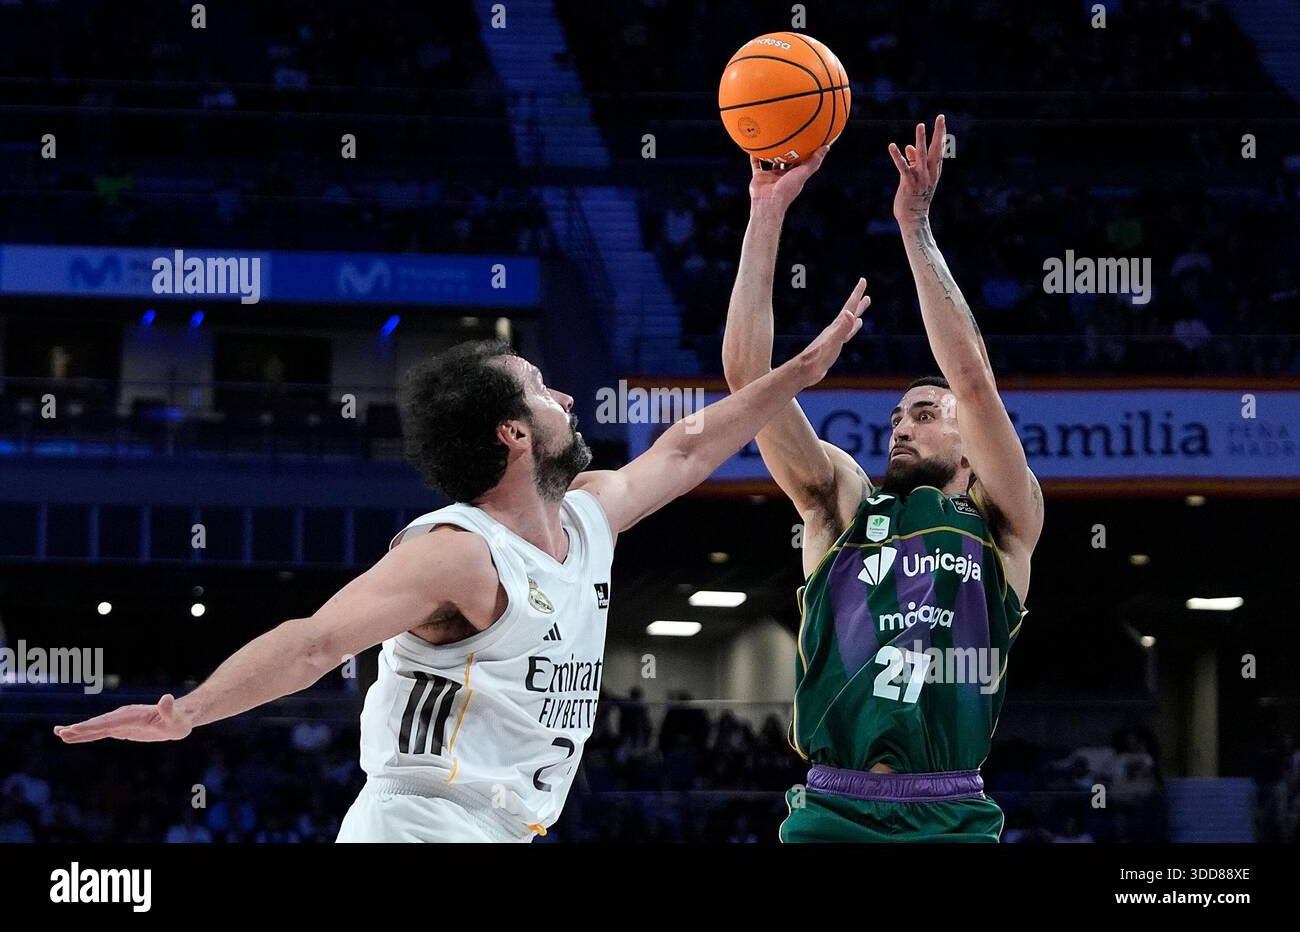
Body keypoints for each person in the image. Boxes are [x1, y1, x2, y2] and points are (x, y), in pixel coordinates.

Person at [54, 290, 869, 843]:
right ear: (512, 435)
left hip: (505, 826)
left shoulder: (589, 518)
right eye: (544, 391)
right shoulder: (455, 552)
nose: (570, 401)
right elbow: (314, 641)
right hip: (421, 822)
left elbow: (689, 448)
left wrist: (791, 347)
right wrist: (189, 713)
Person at [721, 116, 1044, 842]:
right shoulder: (840, 502)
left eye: (925, 414)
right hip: (832, 808)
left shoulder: (1004, 520)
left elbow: (973, 378)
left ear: (969, 447)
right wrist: (765, 214)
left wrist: (915, 224)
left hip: (952, 811)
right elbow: (747, 380)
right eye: (896, 417)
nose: (900, 426)